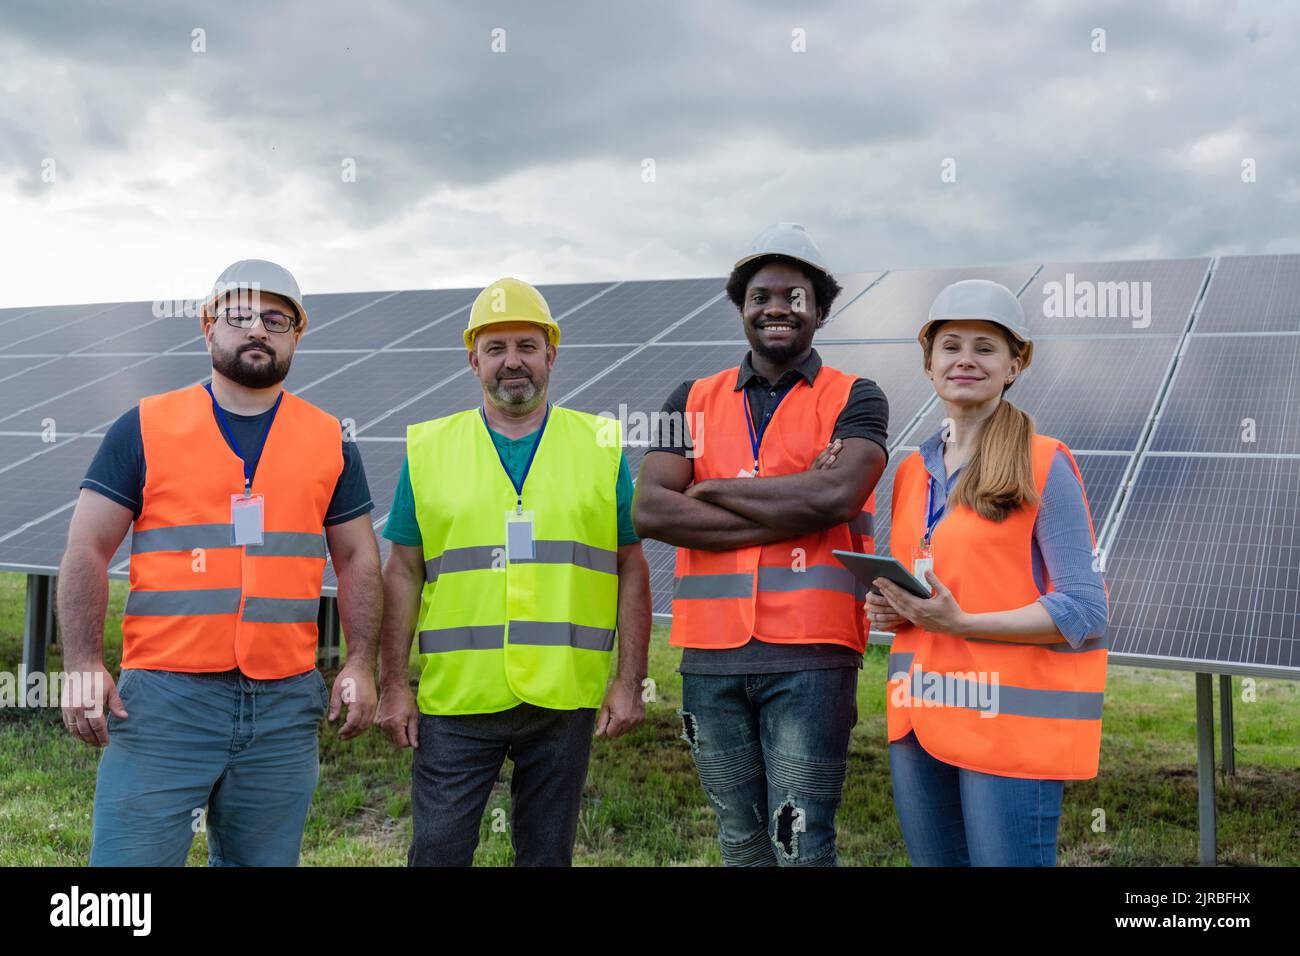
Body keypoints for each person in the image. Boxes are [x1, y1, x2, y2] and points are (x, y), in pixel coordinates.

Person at [59, 258, 381, 866]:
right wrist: (79, 661)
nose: (256, 328)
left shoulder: (328, 438)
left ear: (296, 335)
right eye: (238, 315)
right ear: (209, 327)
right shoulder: (145, 426)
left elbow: (360, 556)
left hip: (284, 706)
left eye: (275, 318)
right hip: (164, 701)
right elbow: (86, 549)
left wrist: (362, 663)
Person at [634, 223, 889, 866]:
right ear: (742, 308)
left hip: (812, 655)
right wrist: (798, 499)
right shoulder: (683, 399)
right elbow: (650, 509)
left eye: (795, 296)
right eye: (760, 295)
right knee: (740, 840)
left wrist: (710, 487)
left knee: (803, 841)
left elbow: (836, 498)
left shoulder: (858, 396)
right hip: (709, 658)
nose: (777, 307)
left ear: (821, 310)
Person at [376, 276, 651, 867]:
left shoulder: (602, 445)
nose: (513, 362)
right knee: (439, 851)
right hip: (458, 699)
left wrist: (630, 680)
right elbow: (401, 571)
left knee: (547, 856)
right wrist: (395, 684)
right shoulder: (427, 449)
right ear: (472, 358)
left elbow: (630, 565)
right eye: (496, 348)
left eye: (527, 345)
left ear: (551, 352)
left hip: (563, 697)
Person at [869, 278, 1108, 867]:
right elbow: (930, 583)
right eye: (950, 346)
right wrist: (891, 611)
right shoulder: (910, 473)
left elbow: (1085, 609)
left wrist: (963, 622)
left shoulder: (1043, 463)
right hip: (919, 717)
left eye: (986, 347)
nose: (966, 360)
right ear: (929, 364)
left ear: (1013, 366)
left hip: (1007, 729)